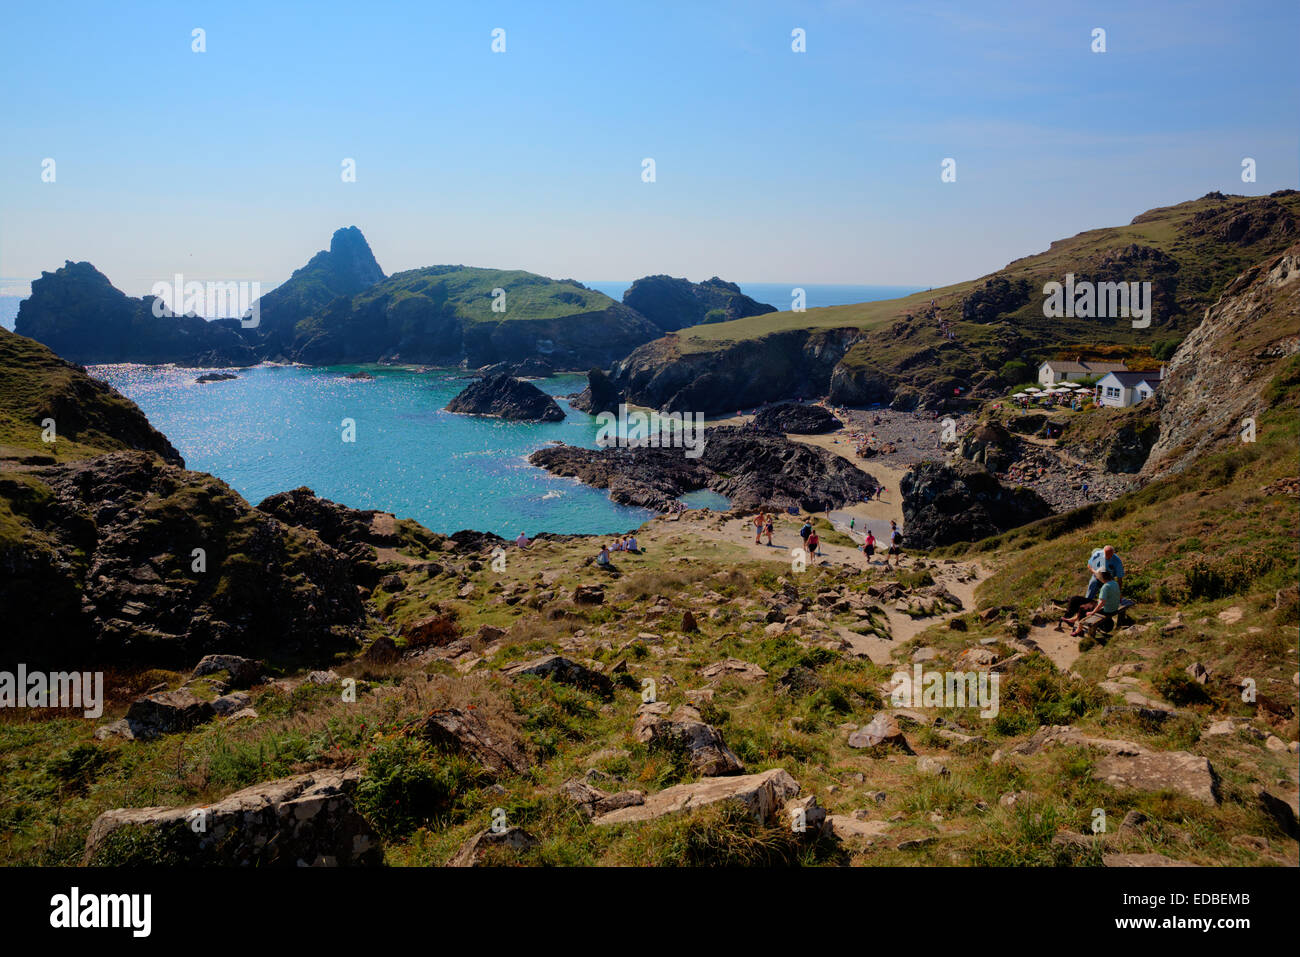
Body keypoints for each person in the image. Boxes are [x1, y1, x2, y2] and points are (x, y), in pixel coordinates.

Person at [1067, 571, 1121, 638]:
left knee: (1083, 608)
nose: (1097, 578)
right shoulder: (1114, 583)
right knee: (1089, 605)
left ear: (1102, 577)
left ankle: (1079, 630)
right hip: (1114, 607)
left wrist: (1092, 612)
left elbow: (1102, 603)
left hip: (1107, 610)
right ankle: (1074, 620)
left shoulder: (1105, 587)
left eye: (1098, 577)